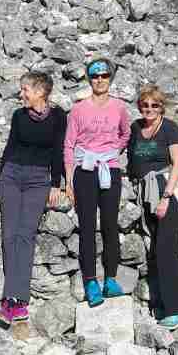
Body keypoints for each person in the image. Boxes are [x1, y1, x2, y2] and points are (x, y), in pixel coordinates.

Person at [0, 72, 66, 325]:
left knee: (25, 235)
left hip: (38, 179)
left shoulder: (59, 116)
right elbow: (9, 147)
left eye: (25, 90)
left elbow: (58, 150)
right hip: (11, 176)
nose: (21, 94)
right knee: (9, 236)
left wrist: (55, 184)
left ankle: (16, 300)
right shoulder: (19, 116)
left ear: (40, 92)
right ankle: (11, 301)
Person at [64, 57, 131, 307]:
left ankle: (110, 278)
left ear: (110, 78)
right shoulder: (79, 109)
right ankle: (91, 280)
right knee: (88, 227)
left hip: (109, 169)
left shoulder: (120, 107)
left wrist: (113, 151)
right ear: (89, 79)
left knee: (111, 225)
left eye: (104, 75)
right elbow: (69, 144)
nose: (100, 80)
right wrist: (69, 181)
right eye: (95, 76)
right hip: (85, 170)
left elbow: (126, 134)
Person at [128, 85, 178, 330]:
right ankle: (164, 305)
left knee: (166, 249)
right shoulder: (136, 127)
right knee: (156, 250)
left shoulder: (169, 127)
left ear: (161, 107)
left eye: (154, 105)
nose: (149, 109)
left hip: (166, 191)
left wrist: (165, 197)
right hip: (145, 192)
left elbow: (177, 163)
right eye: (145, 105)